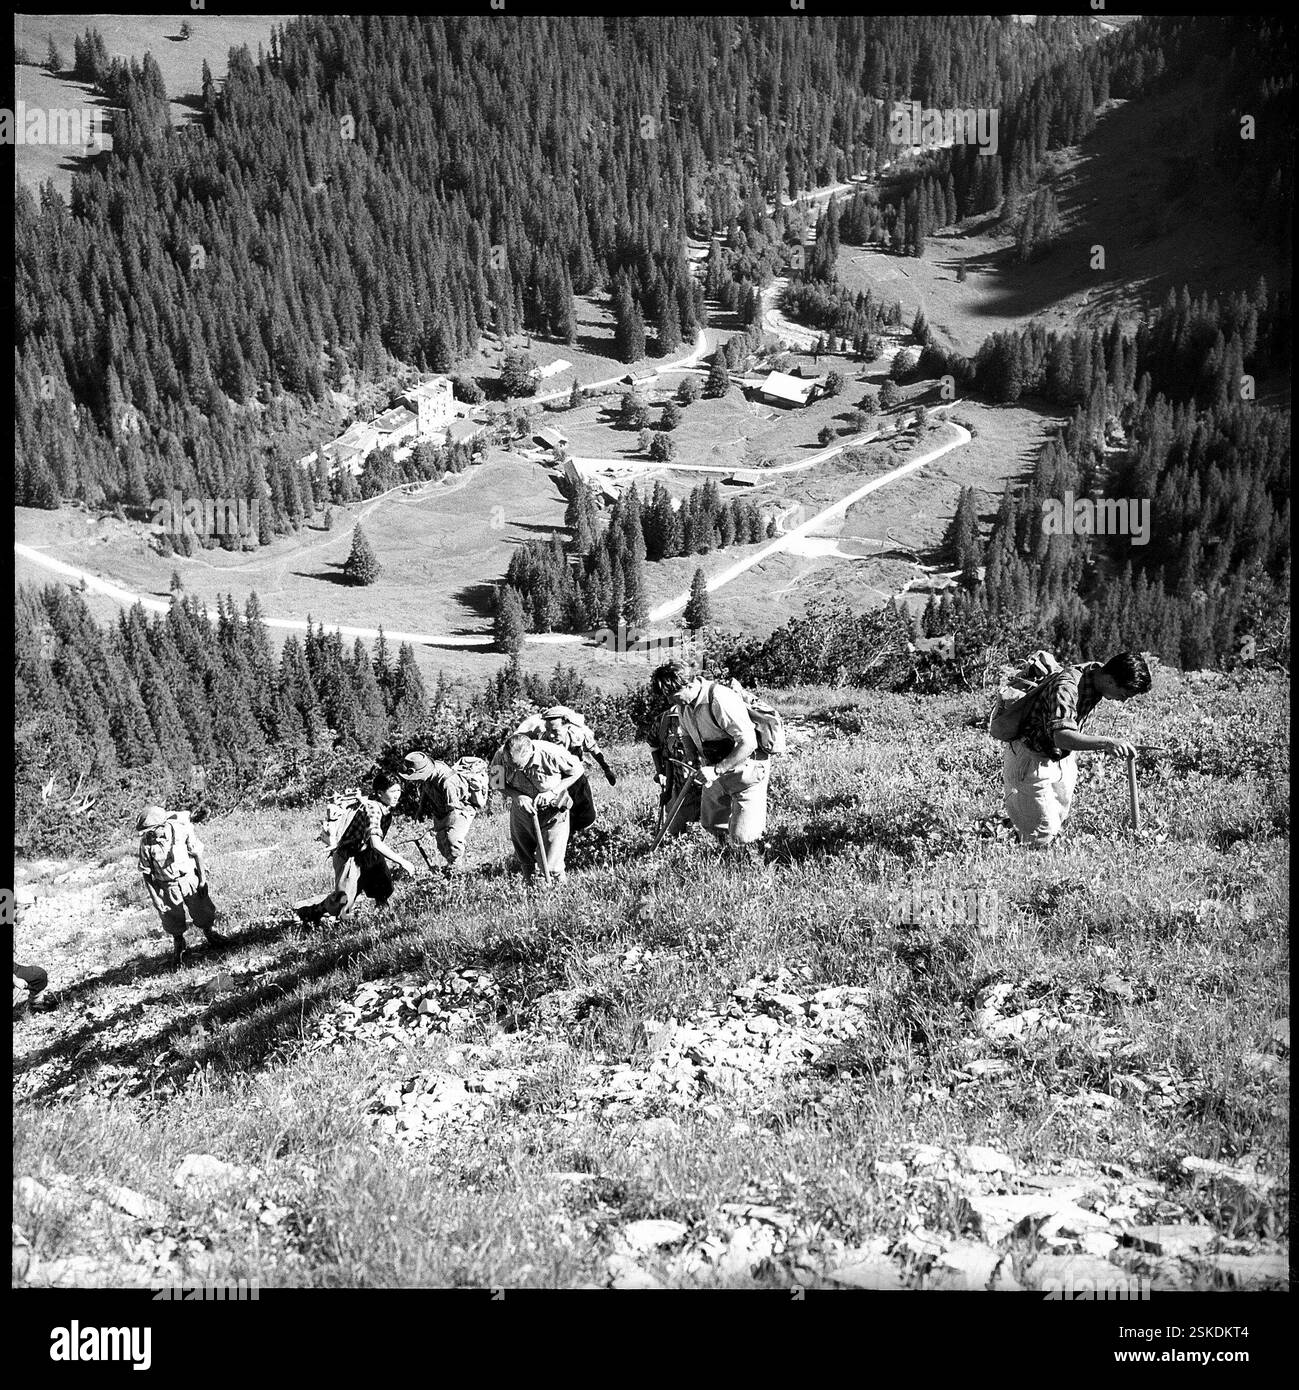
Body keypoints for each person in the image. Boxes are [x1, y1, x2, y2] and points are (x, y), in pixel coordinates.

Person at [1003, 652, 1152, 848]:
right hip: (1030, 758)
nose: (1122, 701)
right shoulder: (1066, 687)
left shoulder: (1098, 672)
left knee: (1057, 818)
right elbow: (1062, 736)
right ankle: (1033, 866)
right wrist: (1107, 743)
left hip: (1059, 757)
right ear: (1109, 680)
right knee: (1041, 833)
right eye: (1123, 695)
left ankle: (1015, 829)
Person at [650, 661, 768, 858]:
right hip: (714, 771)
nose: (671, 701)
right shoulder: (684, 706)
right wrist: (692, 759)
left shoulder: (720, 700)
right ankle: (725, 860)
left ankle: (752, 864)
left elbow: (748, 743)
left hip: (746, 772)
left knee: (744, 838)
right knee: (711, 824)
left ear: (688, 684)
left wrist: (715, 771)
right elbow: (686, 734)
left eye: (673, 695)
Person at [295, 772, 415, 924]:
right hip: (350, 856)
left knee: (382, 888)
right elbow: (376, 843)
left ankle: (383, 919)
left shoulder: (386, 808)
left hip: (368, 853)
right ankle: (312, 912)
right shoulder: (373, 809)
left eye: (399, 791)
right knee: (343, 901)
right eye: (392, 792)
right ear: (380, 793)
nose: (397, 795)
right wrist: (402, 861)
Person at [136, 805, 227, 967]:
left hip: (189, 879)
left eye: (151, 830)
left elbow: (197, 853)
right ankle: (179, 943)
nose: (149, 834)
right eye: (146, 832)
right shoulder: (146, 842)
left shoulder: (181, 830)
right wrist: (156, 898)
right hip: (166, 885)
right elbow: (146, 873)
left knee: (202, 909)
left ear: (161, 825)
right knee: (171, 917)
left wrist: (202, 879)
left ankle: (210, 933)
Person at [489, 732, 585, 885]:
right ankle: (530, 890)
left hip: (552, 812)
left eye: (520, 766)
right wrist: (516, 796)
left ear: (530, 753)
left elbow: (577, 771)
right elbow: (496, 782)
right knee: (525, 857)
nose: (517, 770)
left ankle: (562, 892)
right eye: (511, 766)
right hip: (522, 811)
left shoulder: (551, 753)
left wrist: (552, 792)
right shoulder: (501, 755)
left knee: (552, 863)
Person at [512, 706, 613, 835]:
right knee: (559, 813)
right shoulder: (543, 740)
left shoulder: (578, 735)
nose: (551, 735)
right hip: (554, 778)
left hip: (575, 776)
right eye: (548, 730)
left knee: (585, 812)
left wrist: (607, 769)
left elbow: (594, 750)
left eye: (555, 731)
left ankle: (585, 836)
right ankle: (564, 838)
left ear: (566, 726)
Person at [398, 751, 478, 876]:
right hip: (441, 810)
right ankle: (451, 866)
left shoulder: (447, 781)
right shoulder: (427, 776)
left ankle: (458, 872)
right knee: (442, 843)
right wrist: (421, 809)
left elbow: (454, 812)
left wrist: (436, 829)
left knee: (452, 840)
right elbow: (425, 789)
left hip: (461, 809)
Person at [646, 702, 701, 839]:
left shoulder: (700, 723)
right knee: (677, 830)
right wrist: (667, 787)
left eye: (680, 723)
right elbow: (666, 759)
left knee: (705, 827)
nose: (678, 729)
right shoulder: (663, 724)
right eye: (674, 723)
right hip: (679, 786)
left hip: (704, 786)